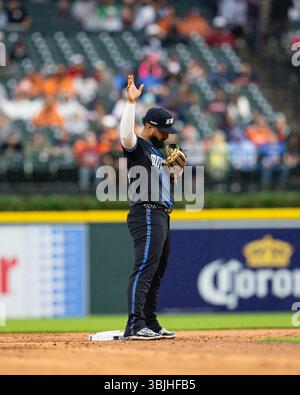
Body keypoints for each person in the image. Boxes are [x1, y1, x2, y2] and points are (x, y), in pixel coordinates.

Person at [120, 75, 182, 340]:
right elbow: (125, 135)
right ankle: (134, 325)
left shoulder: (158, 151)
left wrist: (176, 172)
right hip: (145, 211)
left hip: (162, 213)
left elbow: (167, 181)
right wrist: (130, 102)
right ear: (148, 126)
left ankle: (151, 323)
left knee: (156, 272)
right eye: (162, 130)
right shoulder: (138, 146)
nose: (166, 135)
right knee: (145, 267)